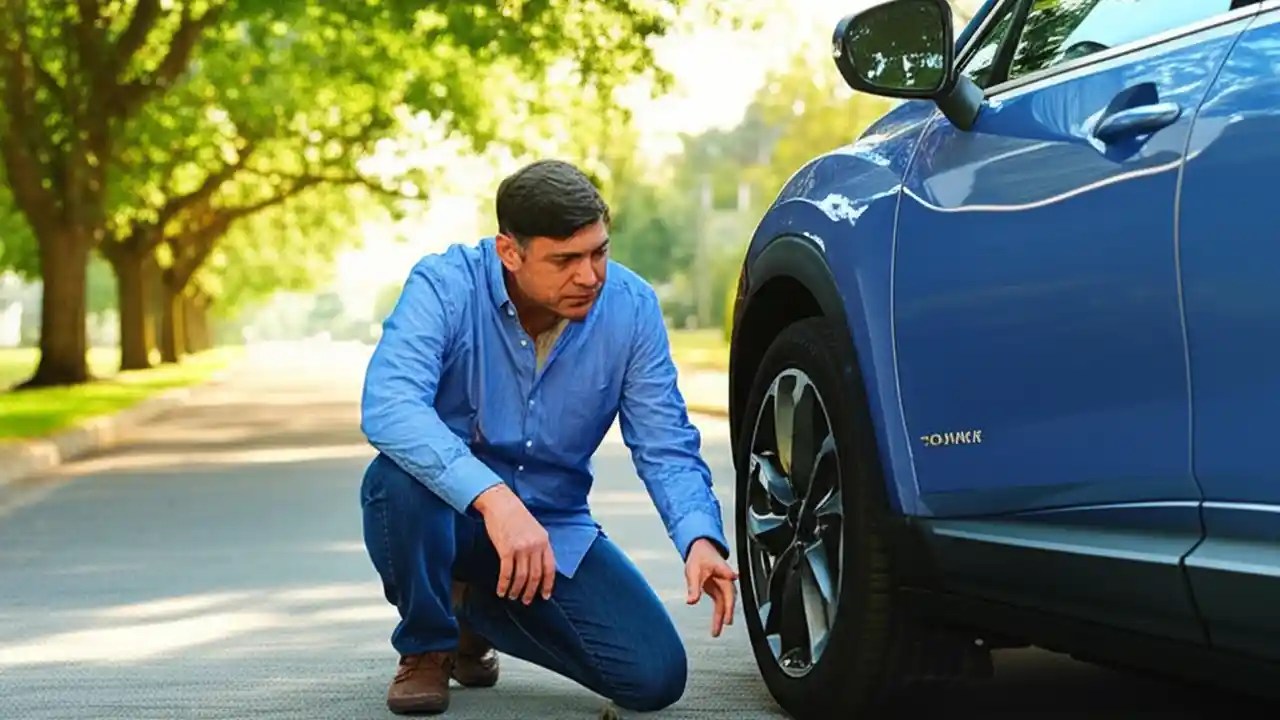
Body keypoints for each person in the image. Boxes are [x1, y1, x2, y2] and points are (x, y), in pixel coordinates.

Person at [359, 158, 738, 716]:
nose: (589, 276)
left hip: (553, 529)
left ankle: (472, 613)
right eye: (565, 260)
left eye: (599, 252)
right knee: (396, 480)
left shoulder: (631, 309)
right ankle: (428, 644)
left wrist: (699, 538)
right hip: (449, 515)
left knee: (655, 676)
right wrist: (494, 499)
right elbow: (389, 407)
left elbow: (664, 443)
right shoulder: (444, 286)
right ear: (509, 253)